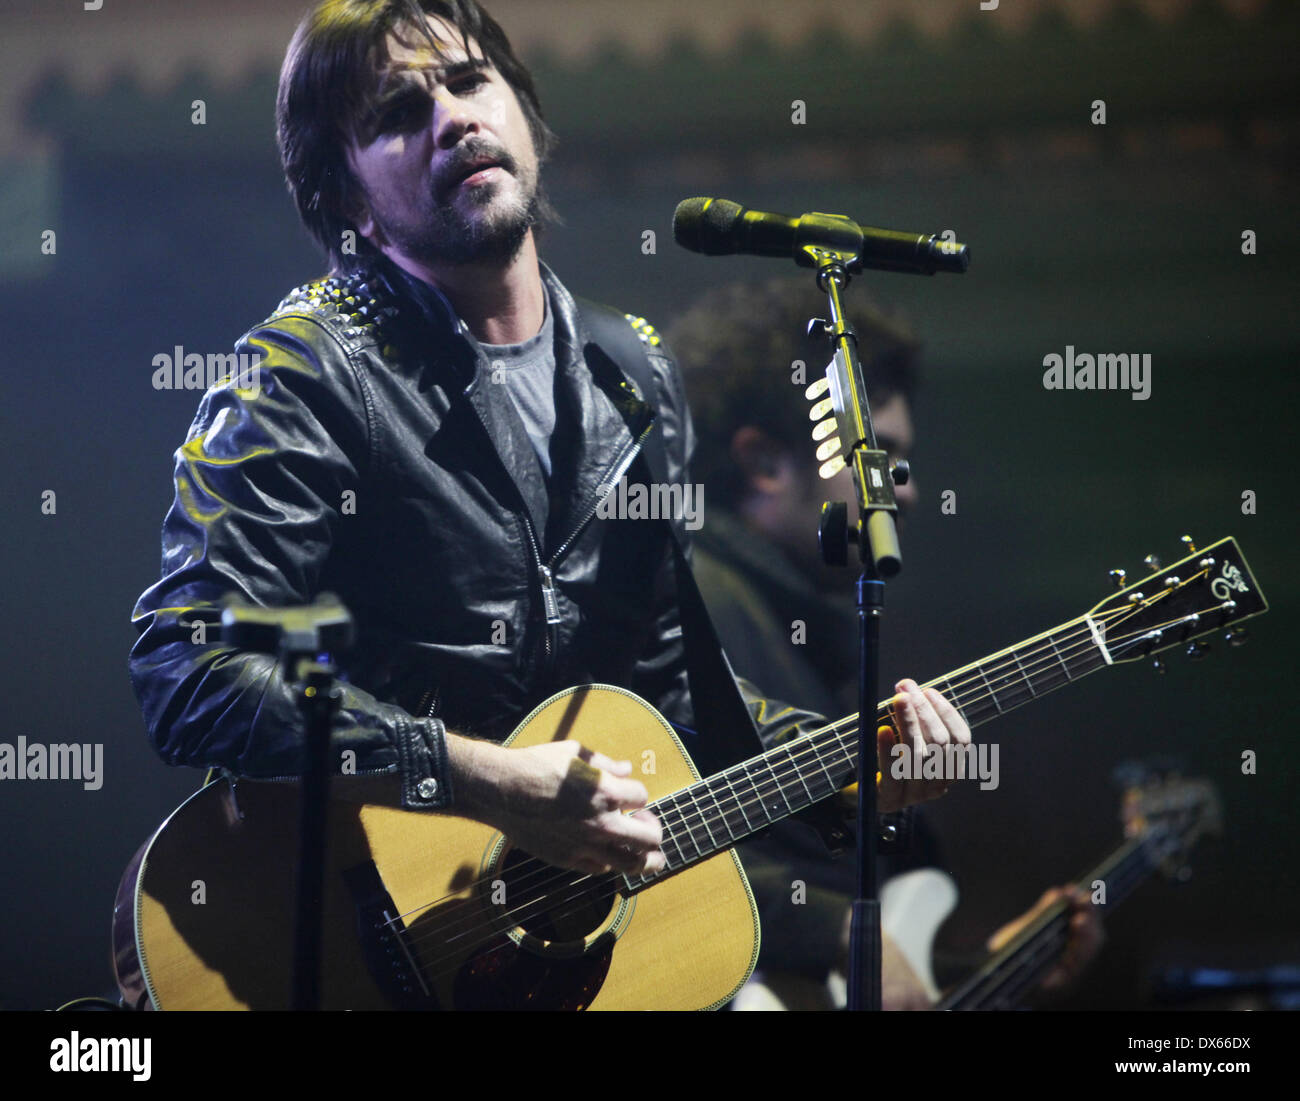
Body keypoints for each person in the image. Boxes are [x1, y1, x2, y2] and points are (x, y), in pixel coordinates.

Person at [127, 0, 969, 999]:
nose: (451, 118)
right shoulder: (304, 376)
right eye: (399, 111)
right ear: (346, 198)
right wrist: (479, 778)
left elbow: (669, 696)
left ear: (525, 116)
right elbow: (190, 666)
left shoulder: (634, 374)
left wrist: (852, 772)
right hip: (336, 942)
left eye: (471, 81)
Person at [668, 277, 1103, 1008]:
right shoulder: (694, 599)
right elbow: (642, 845)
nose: (904, 490)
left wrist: (980, 969)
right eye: (881, 457)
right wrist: (840, 930)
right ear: (767, 464)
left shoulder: (815, 630)